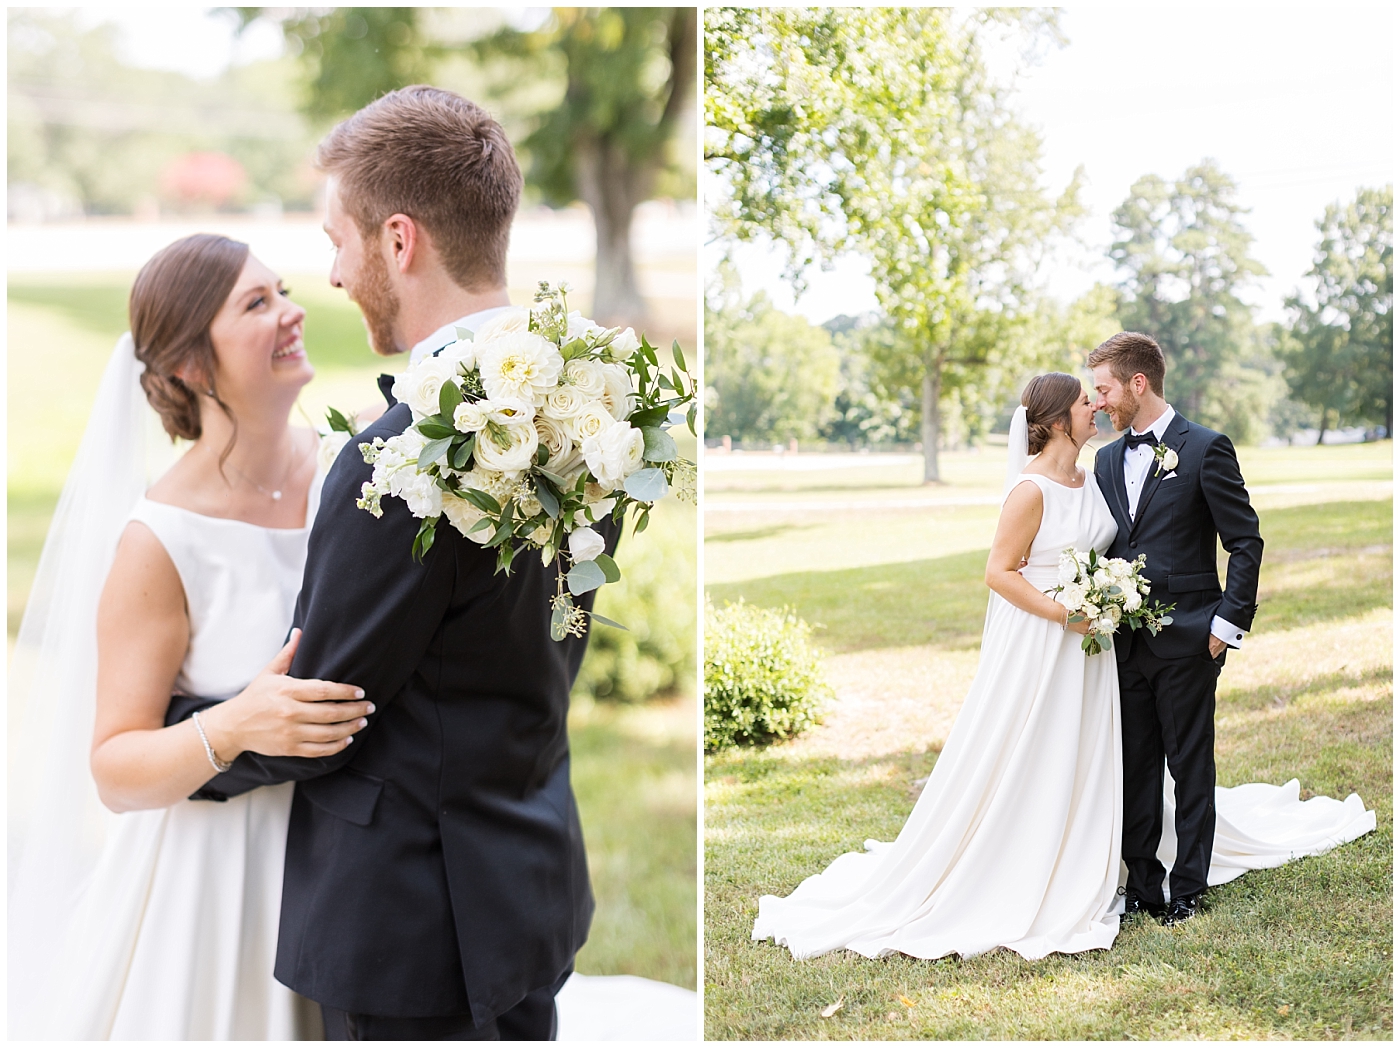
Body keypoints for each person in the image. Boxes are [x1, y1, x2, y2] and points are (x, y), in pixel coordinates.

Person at [185, 86, 615, 1041]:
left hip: (413, 934)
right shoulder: (596, 416)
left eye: (337, 241)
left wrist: (181, 744)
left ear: (397, 240)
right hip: (528, 879)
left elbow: (320, 708)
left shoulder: (396, 467)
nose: (331, 275)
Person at [752, 369, 1375, 963]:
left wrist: (1159, 610)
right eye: (1084, 402)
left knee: (1114, 755)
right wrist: (1065, 614)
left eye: (1097, 395)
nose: (1095, 407)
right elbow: (999, 571)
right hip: (1052, 641)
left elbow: (1148, 541)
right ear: (1053, 422)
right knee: (1038, 748)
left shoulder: (1095, 471)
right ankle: (1042, 859)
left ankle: (1146, 868)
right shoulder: (1031, 488)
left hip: (1107, 648)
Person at [8, 233, 370, 1038]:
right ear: (192, 369)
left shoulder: (356, 474)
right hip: (220, 888)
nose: (292, 311)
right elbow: (115, 768)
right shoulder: (160, 541)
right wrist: (238, 721)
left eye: (280, 290)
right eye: (256, 303)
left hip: (355, 872)